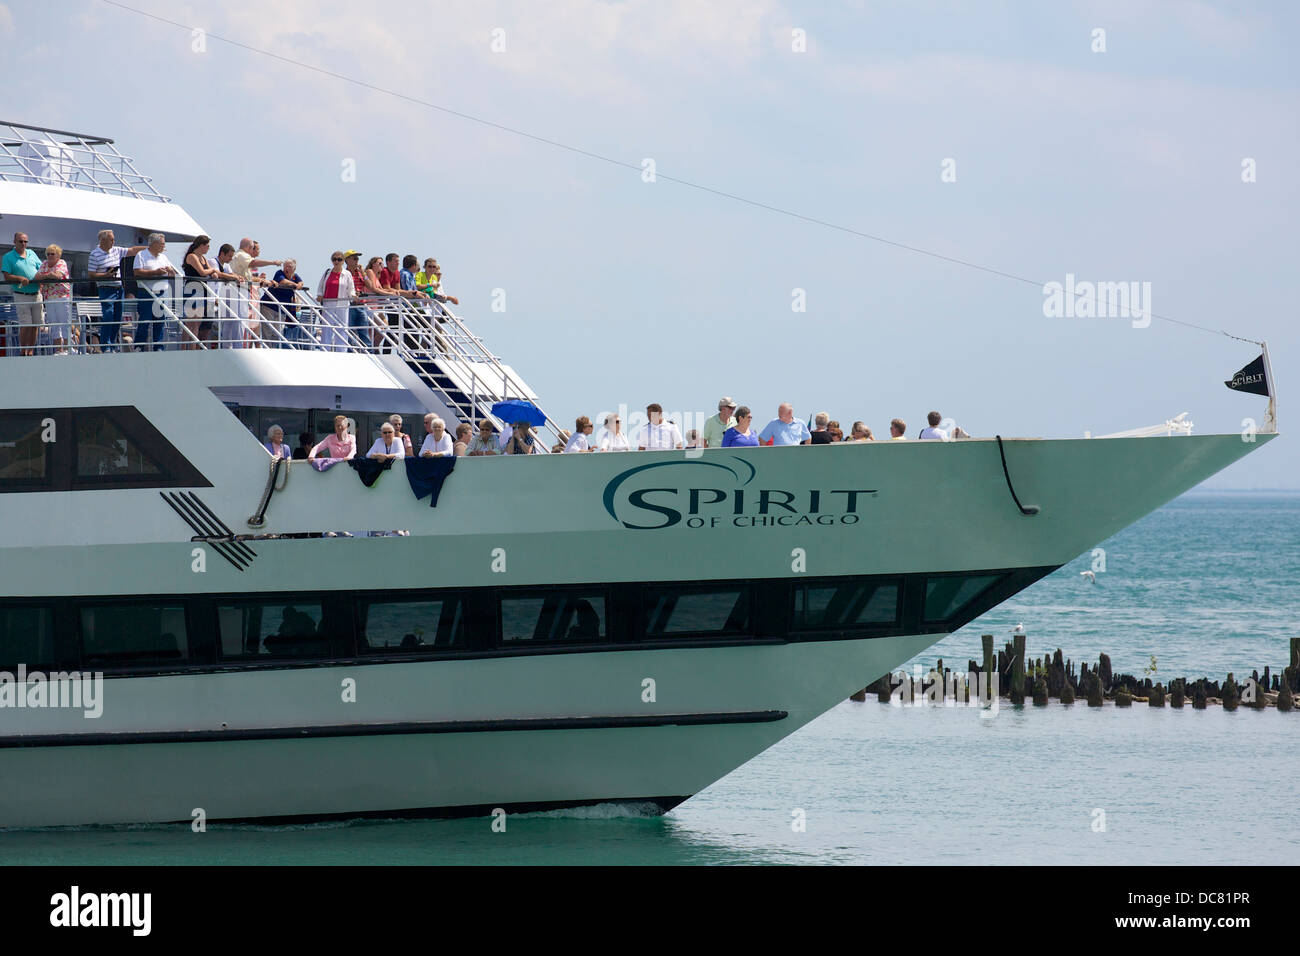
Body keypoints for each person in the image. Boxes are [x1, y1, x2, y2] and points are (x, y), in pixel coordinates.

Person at [85, 230, 146, 352]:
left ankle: (112, 345)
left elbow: (132, 250)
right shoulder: (94, 254)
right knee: (108, 316)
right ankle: (105, 346)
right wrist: (106, 275)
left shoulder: (116, 250)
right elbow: (91, 274)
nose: (113, 242)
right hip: (105, 289)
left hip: (119, 290)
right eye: (111, 239)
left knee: (117, 318)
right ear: (103, 240)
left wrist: (149, 248)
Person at [230, 238, 281, 345]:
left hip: (244, 291)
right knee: (243, 323)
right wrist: (273, 262)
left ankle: (240, 346)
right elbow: (253, 264)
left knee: (246, 324)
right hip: (240, 291)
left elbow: (250, 277)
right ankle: (240, 346)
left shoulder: (239, 256)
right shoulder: (242, 255)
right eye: (253, 248)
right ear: (249, 247)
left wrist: (262, 280)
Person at [133, 233, 178, 351]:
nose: (164, 246)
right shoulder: (141, 255)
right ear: (154, 244)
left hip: (162, 292)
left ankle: (158, 347)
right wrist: (155, 272)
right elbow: (137, 272)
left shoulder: (163, 257)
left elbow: (172, 274)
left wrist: (171, 271)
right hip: (146, 292)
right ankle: (139, 346)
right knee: (144, 321)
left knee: (160, 321)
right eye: (162, 244)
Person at [2, 232, 44, 356]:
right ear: (14, 242)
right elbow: (6, 276)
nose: (23, 244)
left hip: (36, 294)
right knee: (26, 325)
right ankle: (23, 351)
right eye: (20, 241)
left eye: (25, 241)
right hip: (21, 294)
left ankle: (30, 351)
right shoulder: (8, 257)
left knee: (35, 325)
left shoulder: (32, 253)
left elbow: (41, 269)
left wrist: (41, 280)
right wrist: (19, 278)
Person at [180, 235, 219, 349]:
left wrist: (213, 272)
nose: (208, 248)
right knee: (190, 321)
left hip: (202, 290)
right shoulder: (192, 256)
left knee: (197, 322)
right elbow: (202, 272)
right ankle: (185, 348)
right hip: (192, 290)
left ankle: (193, 348)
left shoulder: (203, 258)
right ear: (201, 245)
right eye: (207, 246)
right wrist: (212, 270)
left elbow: (208, 271)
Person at [34, 243, 72, 354]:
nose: (50, 256)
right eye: (48, 254)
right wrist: (49, 275)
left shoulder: (62, 262)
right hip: (49, 298)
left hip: (62, 297)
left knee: (64, 323)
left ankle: (67, 349)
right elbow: (37, 277)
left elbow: (58, 276)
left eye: (52, 254)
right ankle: (58, 350)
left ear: (58, 255)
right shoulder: (44, 263)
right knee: (54, 325)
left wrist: (45, 277)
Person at [316, 252, 355, 351]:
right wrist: (320, 295)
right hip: (328, 303)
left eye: (339, 259)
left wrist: (353, 295)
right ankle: (325, 349)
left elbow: (351, 288)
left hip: (342, 304)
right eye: (334, 259)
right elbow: (321, 286)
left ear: (343, 261)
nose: (336, 261)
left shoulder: (347, 274)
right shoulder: (327, 272)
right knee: (327, 327)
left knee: (342, 327)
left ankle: (341, 350)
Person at [268, 259, 305, 347]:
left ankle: (273, 350)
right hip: (269, 306)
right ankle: (267, 349)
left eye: (289, 266)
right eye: (285, 266)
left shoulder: (295, 276)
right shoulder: (279, 273)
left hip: (282, 309)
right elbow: (283, 281)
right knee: (268, 331)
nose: (286, 268)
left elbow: (301, 282)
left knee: (278, 332)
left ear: (294, 269)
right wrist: (295, 285)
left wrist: (299, 284)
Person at [344, 251, 374, 348]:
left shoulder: (360, 273)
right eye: (354, 258)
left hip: (361, 306)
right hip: (350, 306)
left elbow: (370, 286)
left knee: (364, 332)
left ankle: (368, 351)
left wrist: (363, 273)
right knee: (350, 332)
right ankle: (350, 351)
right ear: (347, 260)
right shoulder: (344, 274)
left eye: (357, 258)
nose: (357, 261)